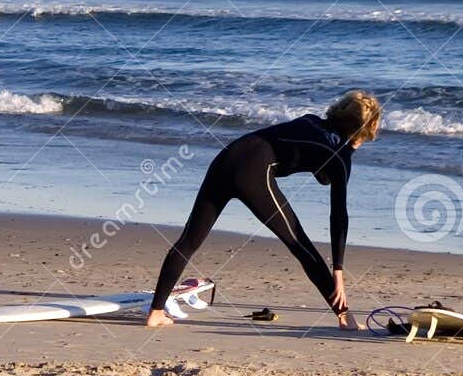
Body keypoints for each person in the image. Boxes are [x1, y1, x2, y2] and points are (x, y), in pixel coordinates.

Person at [146, 91, 382, 329]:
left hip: (227, 156)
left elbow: (323, 174)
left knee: (189, 240)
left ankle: (156, 311)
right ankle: (345, 317)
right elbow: (338, 215)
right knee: (301, 246)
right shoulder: (340, 156)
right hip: (253, 173)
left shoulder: (310, 120)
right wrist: (338, 271)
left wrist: (350, 147)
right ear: (368, 127)